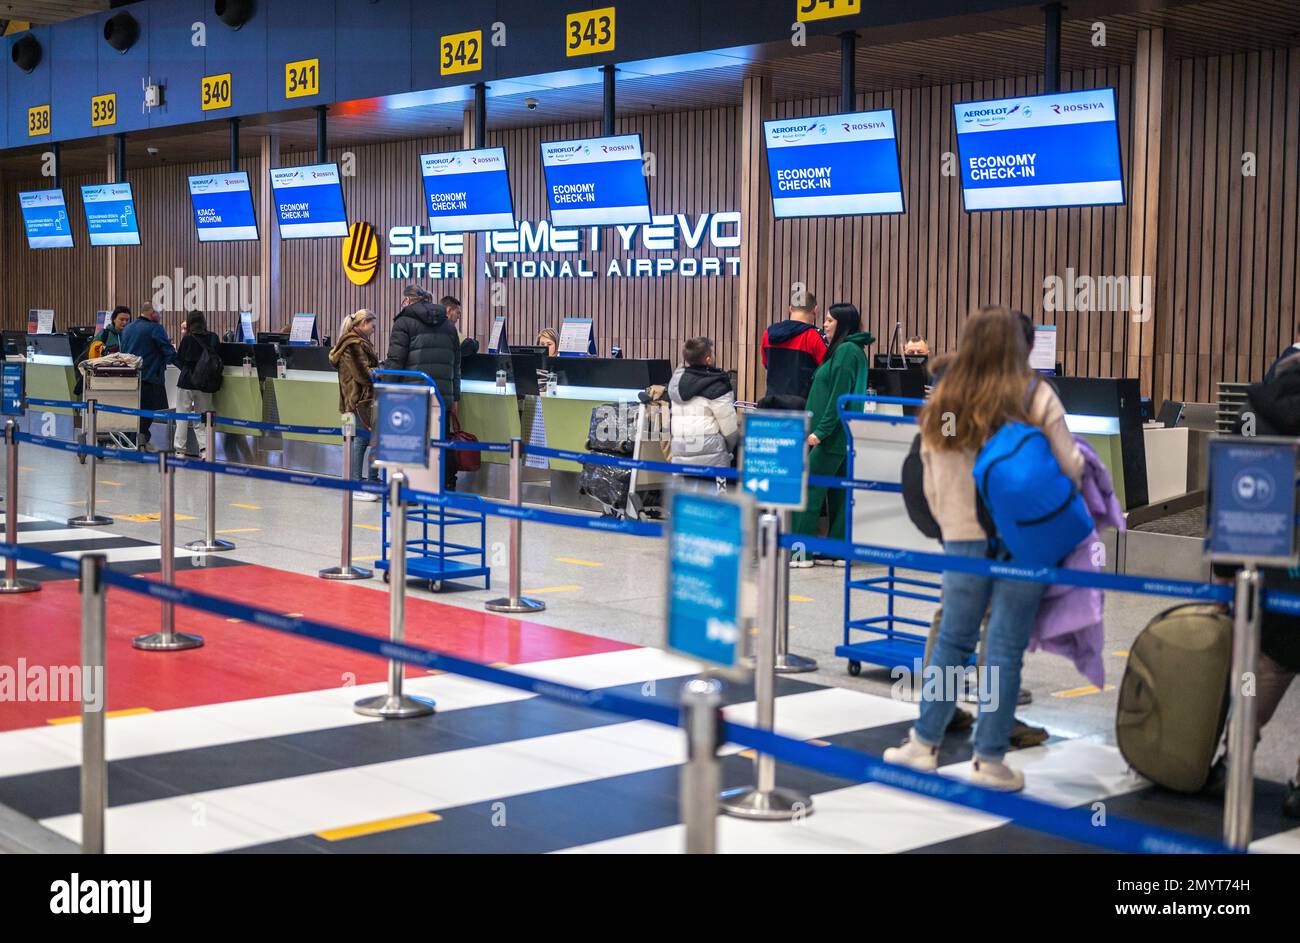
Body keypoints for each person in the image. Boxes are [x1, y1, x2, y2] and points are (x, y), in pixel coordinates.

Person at [884, 305, 1083, 792]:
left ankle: (924, 744)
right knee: (1004, 649)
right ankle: (989, 758)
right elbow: (1070, 464)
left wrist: (951, 521)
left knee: (954, 639)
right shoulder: (1035, 395)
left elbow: (937, 461)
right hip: (1023, 542)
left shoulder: (950, 395)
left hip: (963, 537)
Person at [789, 303, 873, 560]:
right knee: (838, 494)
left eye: (829, 320)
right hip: (839, 436)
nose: (824, 325)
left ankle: (799, 553)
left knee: (808, 489)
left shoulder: (847, 351)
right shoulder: (847, 350)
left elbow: (839, 395)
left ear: (843, 323)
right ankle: (838, 552)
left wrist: (821, 432)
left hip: (832, 436)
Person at [384, 285, 461, 489]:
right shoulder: (449, 326)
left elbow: (395, 360)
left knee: (410, 446)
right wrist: (454, 398)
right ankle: (444, 487)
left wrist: (386, 392)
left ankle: (411, 490)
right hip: (441, 396)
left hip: (411, 396)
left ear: (409, 301)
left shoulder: (403, 322)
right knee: (440, 444)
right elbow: (456, 364)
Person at [668, 337, 739, 491]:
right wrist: (729, 449)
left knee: (688, 504)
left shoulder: (676, 383)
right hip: (713, 457)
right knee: (718, 504)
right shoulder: (718, 383)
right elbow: (730, 428)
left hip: (680, 451)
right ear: (708, 359)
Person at [330, 309, 381, 501]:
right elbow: (363, 374)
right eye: (372, 326)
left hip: (357, 400)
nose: (374, 330)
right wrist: (381, 370)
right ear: (363, 323)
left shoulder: (355, 342)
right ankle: (356, 484)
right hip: (358, 400)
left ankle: (364, 481)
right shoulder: (353, 344)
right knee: (360, 441)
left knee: (361, 440)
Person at [120, 302, 177, 450]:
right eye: (159, 313)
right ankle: (141, 441)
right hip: (150, 378)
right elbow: (168, 351)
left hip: (131, 379)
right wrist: (186, 367)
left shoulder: (128, 328)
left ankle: (132, 441)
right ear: (153, 313)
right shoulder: (155, 329)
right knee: (148, 414)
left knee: (135, 412)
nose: (160, 316)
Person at [760, 289, 827, 409]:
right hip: (802, 407)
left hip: (772, 404)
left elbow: (766, 364)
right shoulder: (815, 337)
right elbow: (826, 372)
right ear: (815, 309)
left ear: (790, 308)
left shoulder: (768, 333)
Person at [171, 310, 221, 457]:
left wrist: (188, 370)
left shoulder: (188, 339)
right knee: (203, 418)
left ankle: (180, 450)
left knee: (182, 417)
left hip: (186, 382)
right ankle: (205, 450)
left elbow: (179, 358)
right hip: (206, 384)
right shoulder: (213, 338)